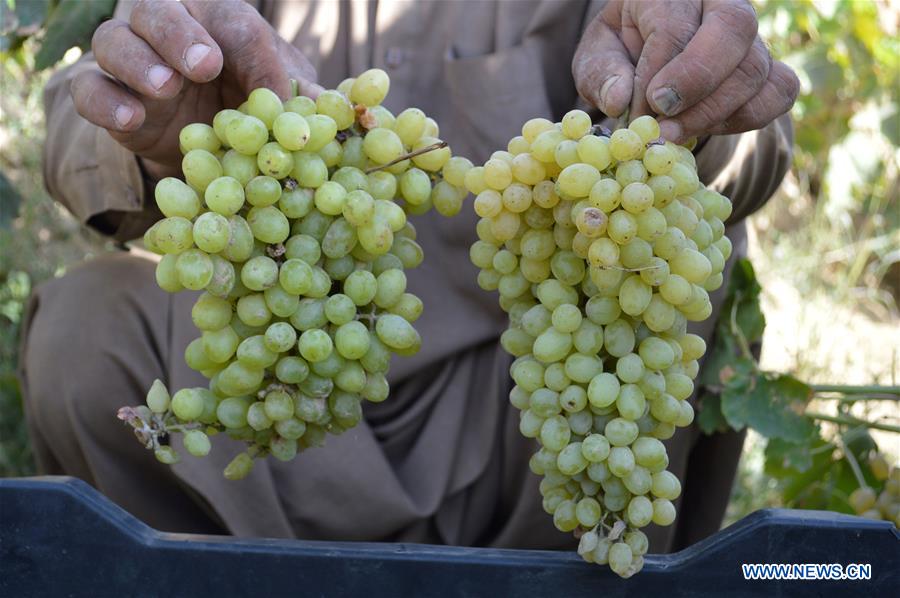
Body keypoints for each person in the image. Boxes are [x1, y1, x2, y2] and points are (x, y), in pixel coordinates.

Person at [22, 0, 797, 551]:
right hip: (283, 369)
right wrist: (154, 118)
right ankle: (191, 574)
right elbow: (73, 118)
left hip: (517, 406)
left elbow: (756, 153)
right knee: (82, 328)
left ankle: (590, 554)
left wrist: (688, 106)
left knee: (686, 273)